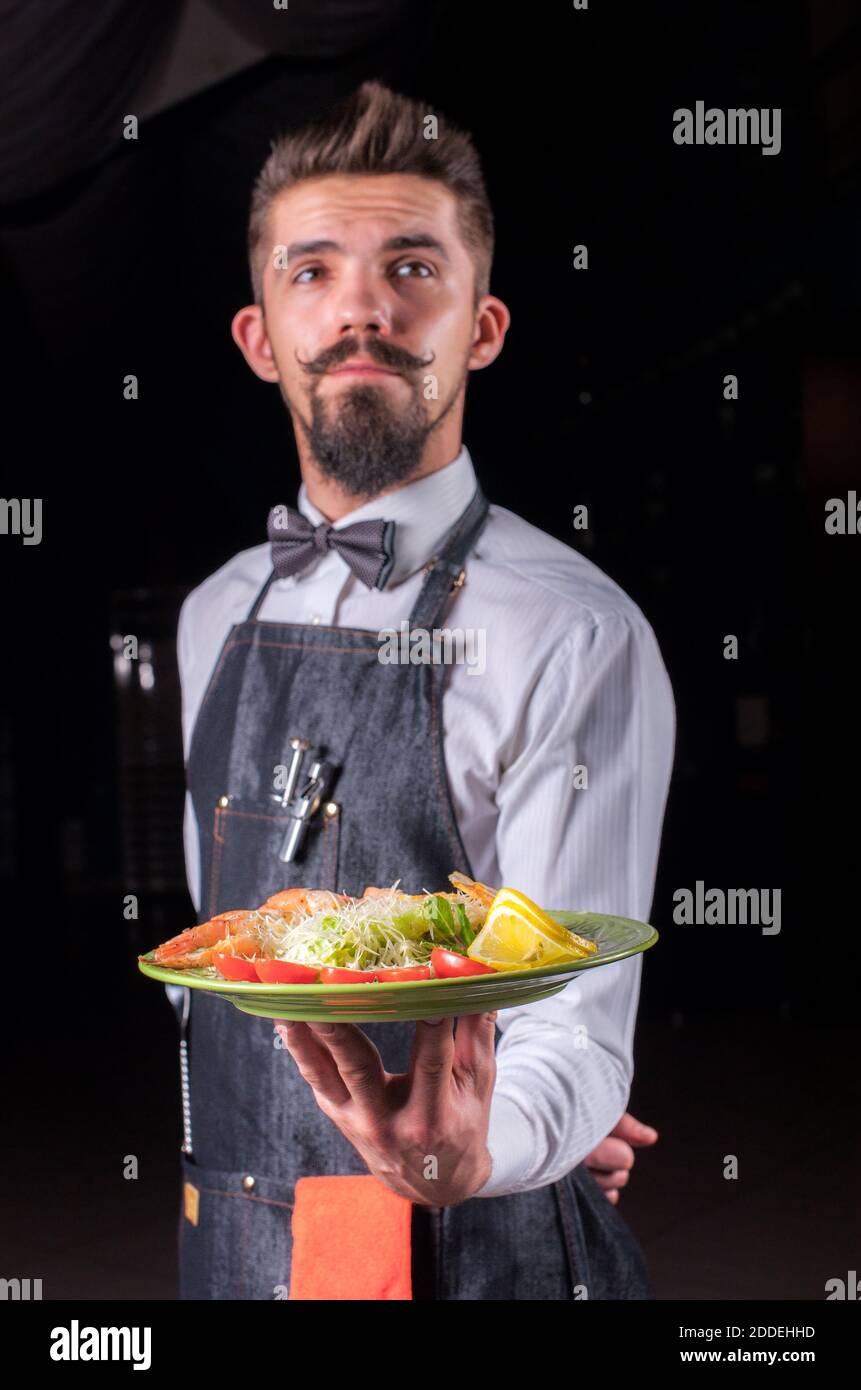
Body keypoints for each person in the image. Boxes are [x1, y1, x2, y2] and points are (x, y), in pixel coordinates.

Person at [173, 79, 675, 1300]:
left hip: (476, 1261)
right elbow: (225, 989)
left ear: (482, 325)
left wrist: (494, 1144)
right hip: (236, 1248)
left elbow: (572, 1026)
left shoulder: (572, 631)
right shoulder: (209, 616)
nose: (361, 308)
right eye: (312, 272)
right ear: (259, 336)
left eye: (411, 267)